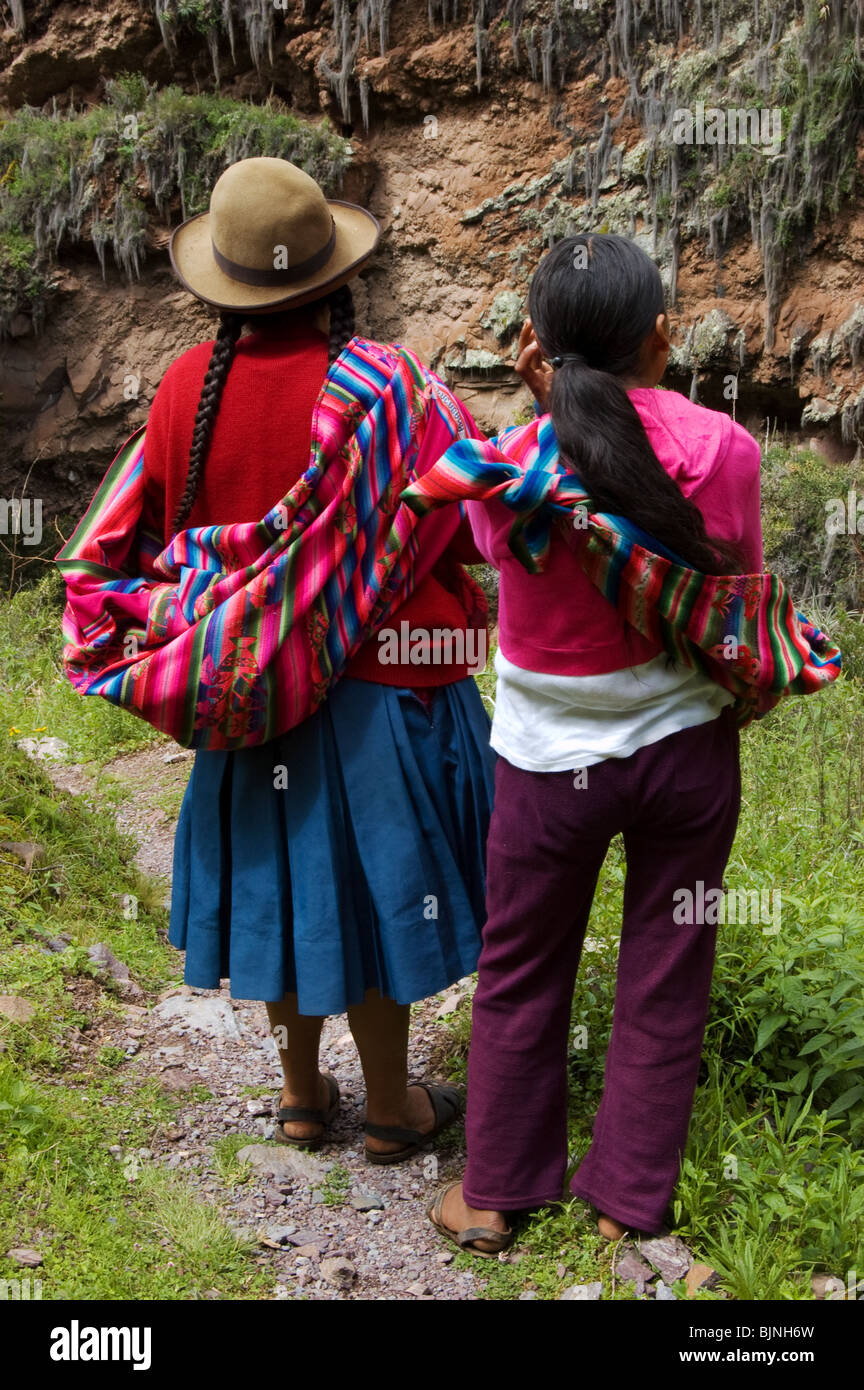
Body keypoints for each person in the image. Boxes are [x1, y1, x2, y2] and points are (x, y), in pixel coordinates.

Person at [97, 157, 497, 1161]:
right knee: (366, 888)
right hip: (377, 686)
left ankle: (300, 1095)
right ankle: (395, 1106)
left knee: (284, 882)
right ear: (335, 275)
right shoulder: (391, 387)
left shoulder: (184, 388)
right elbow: (460, 529)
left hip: (245, 690)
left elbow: (144, 544)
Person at [426, 232, 764, 1252]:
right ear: (660, 340)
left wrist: (541, 411)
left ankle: (493, 1194)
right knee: (668, 960)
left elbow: (501, 554)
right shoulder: (724, 449)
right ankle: (625, 1200)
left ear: (541, 346)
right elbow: (735, 592)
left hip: (544, 766)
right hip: (685, 756)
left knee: (523, 963)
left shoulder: (507, 464)